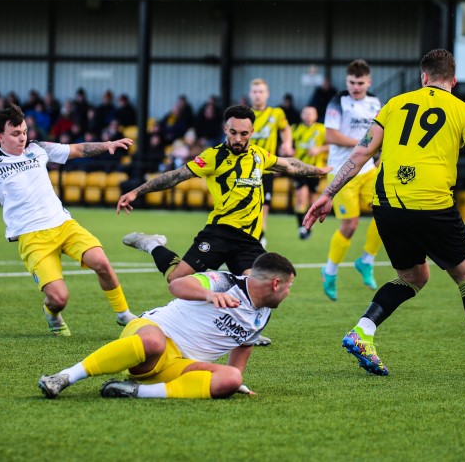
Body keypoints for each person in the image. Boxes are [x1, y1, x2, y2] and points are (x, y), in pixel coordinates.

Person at [304, 48, 465, 380]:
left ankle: (363, 330)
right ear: (453, 81)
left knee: (414, 277)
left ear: (424, 77)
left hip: (387, 204)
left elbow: (360, 154)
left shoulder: (394, 104)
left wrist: (328, 194)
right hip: (432, 205)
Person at [116, 105, 329, 345]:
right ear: (225, 129)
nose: (238, 138)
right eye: (233, 132)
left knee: (262, 289)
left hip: (248, 241)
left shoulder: (259, 155)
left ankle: (246, 334)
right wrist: (136, 191)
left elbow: (289, 165)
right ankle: (153, 245)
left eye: (244, 134)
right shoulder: (212, 156)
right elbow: (175, 176)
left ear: (252, 132)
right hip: (219, 233)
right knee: (176, 280)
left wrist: (317, 171)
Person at [0, 104, 137, 336]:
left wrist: (107, 145)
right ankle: (52, 312)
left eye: (24, 132)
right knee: (59, 298)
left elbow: (75, 150)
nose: (22, 138)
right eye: (15, 134)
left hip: (64, 225)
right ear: (0, 137)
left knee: (102, 262)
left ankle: (123, 315)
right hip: (32, 237)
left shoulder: (38, 149)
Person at [37, 252, 296, 400]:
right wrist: (208, 295)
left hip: (179, 366)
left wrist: (233, 381)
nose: (288, 293)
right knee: (154, 342)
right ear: (275, 284)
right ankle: (64, 377)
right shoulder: (226, 282)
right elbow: (177, 285)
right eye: (288, 287)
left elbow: (242, 349)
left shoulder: (262, 315)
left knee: (231, 378)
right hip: (152, 332)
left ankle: (137, 392)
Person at [320, 59, 384, 301]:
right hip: (341, 171)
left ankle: (366, 261)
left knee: (385, 212)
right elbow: (330, 135)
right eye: (352, 82)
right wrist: (363, 146)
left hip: (367, 169)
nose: (356, 87)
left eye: (360, 83)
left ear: (368, 82)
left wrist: (376, 153)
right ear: (347, 82)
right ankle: (330, 272)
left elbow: (380, 132)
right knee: (350, 225)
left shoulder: (375, 102)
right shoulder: (338, 101)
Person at [249, 79, 294, 247]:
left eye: (261, 91)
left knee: (264, 207)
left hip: (266, 169)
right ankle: (251, 237)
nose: (258, 95)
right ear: (250, 94)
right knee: (247, 207)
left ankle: (259, 237)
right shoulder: (245, 114)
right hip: (246, 169)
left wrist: (287, 143)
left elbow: (285, 129)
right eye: (254, 91)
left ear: (267, 94)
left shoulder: (276, 113)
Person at [292, 106, 328, 239]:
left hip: (315, 170)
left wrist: (319, 149)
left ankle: (308, 225)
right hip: (300, 169)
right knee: (301, 198)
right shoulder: (295, 129)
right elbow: (288, 146)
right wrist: (288, 151)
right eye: (306, 113)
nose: (308, 115)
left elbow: (331, 145)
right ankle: (301, 227)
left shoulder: (321, 129)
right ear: (302, 115)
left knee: (313, 201)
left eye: (311, 113)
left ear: (316, 115)